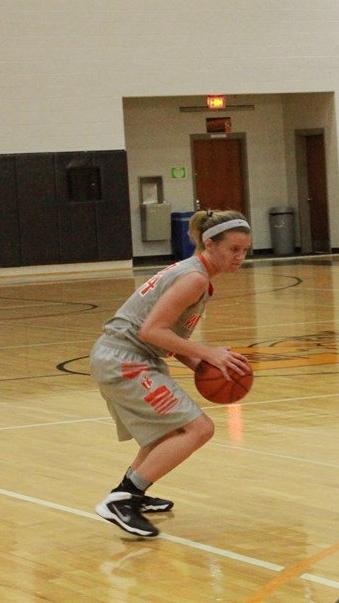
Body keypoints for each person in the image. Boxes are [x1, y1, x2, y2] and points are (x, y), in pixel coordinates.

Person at [91, 210, 252, 537]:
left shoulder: (197, 277)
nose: (241, 257)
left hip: (132, 357)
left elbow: (171, 340)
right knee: (198, 429)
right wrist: (209, 353)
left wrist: (206, 366)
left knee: (168, 433)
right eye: (234, 249)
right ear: (210, 243)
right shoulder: (192, 278)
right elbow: (152, 331)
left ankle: (131, 493)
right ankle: (122, 500)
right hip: (124, 359)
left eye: (245, 250)